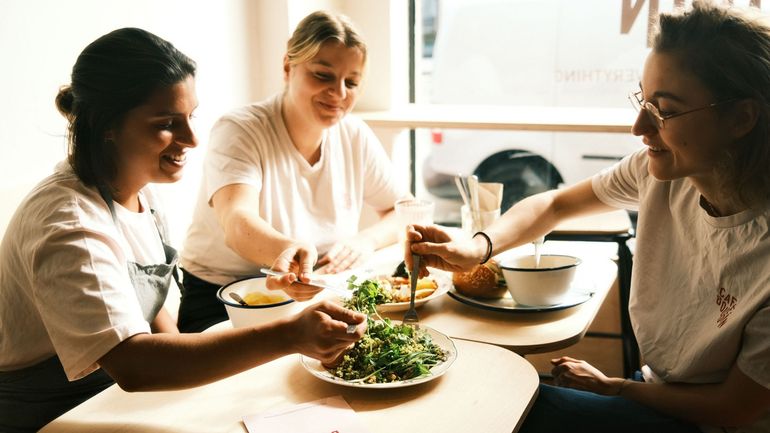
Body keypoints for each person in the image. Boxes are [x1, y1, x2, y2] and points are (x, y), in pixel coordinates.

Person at [406, 1, 770, 432]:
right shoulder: (658, 174)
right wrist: (474, 248)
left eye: (665, 110)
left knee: (494, 402)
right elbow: (554, 205)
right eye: (643, 99)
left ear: (742, 117)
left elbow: (733, 408)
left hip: (712, 424)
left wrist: (614, 387)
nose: (638, 127)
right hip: (654, 391)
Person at [0, 28, 366, 433]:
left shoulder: (138, 189)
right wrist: (289, 336)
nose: (192, 139)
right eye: (167, 123)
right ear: (107, 125)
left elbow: (158, 324)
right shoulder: (69, 223)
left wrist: (192, 393)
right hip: (53, 411)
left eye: (190, 117)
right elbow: (134, 364)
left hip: (117, 396)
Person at [179, 10, 409, 333]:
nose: (340, 93)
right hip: (228, 299)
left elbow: (405, 211)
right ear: (288, 67)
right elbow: (236, 221)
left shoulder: (354, 135)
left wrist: (366, 241)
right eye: (323, 75)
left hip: (312, 294)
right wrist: (289, 252)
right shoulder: (241, 130)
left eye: (352, 82)